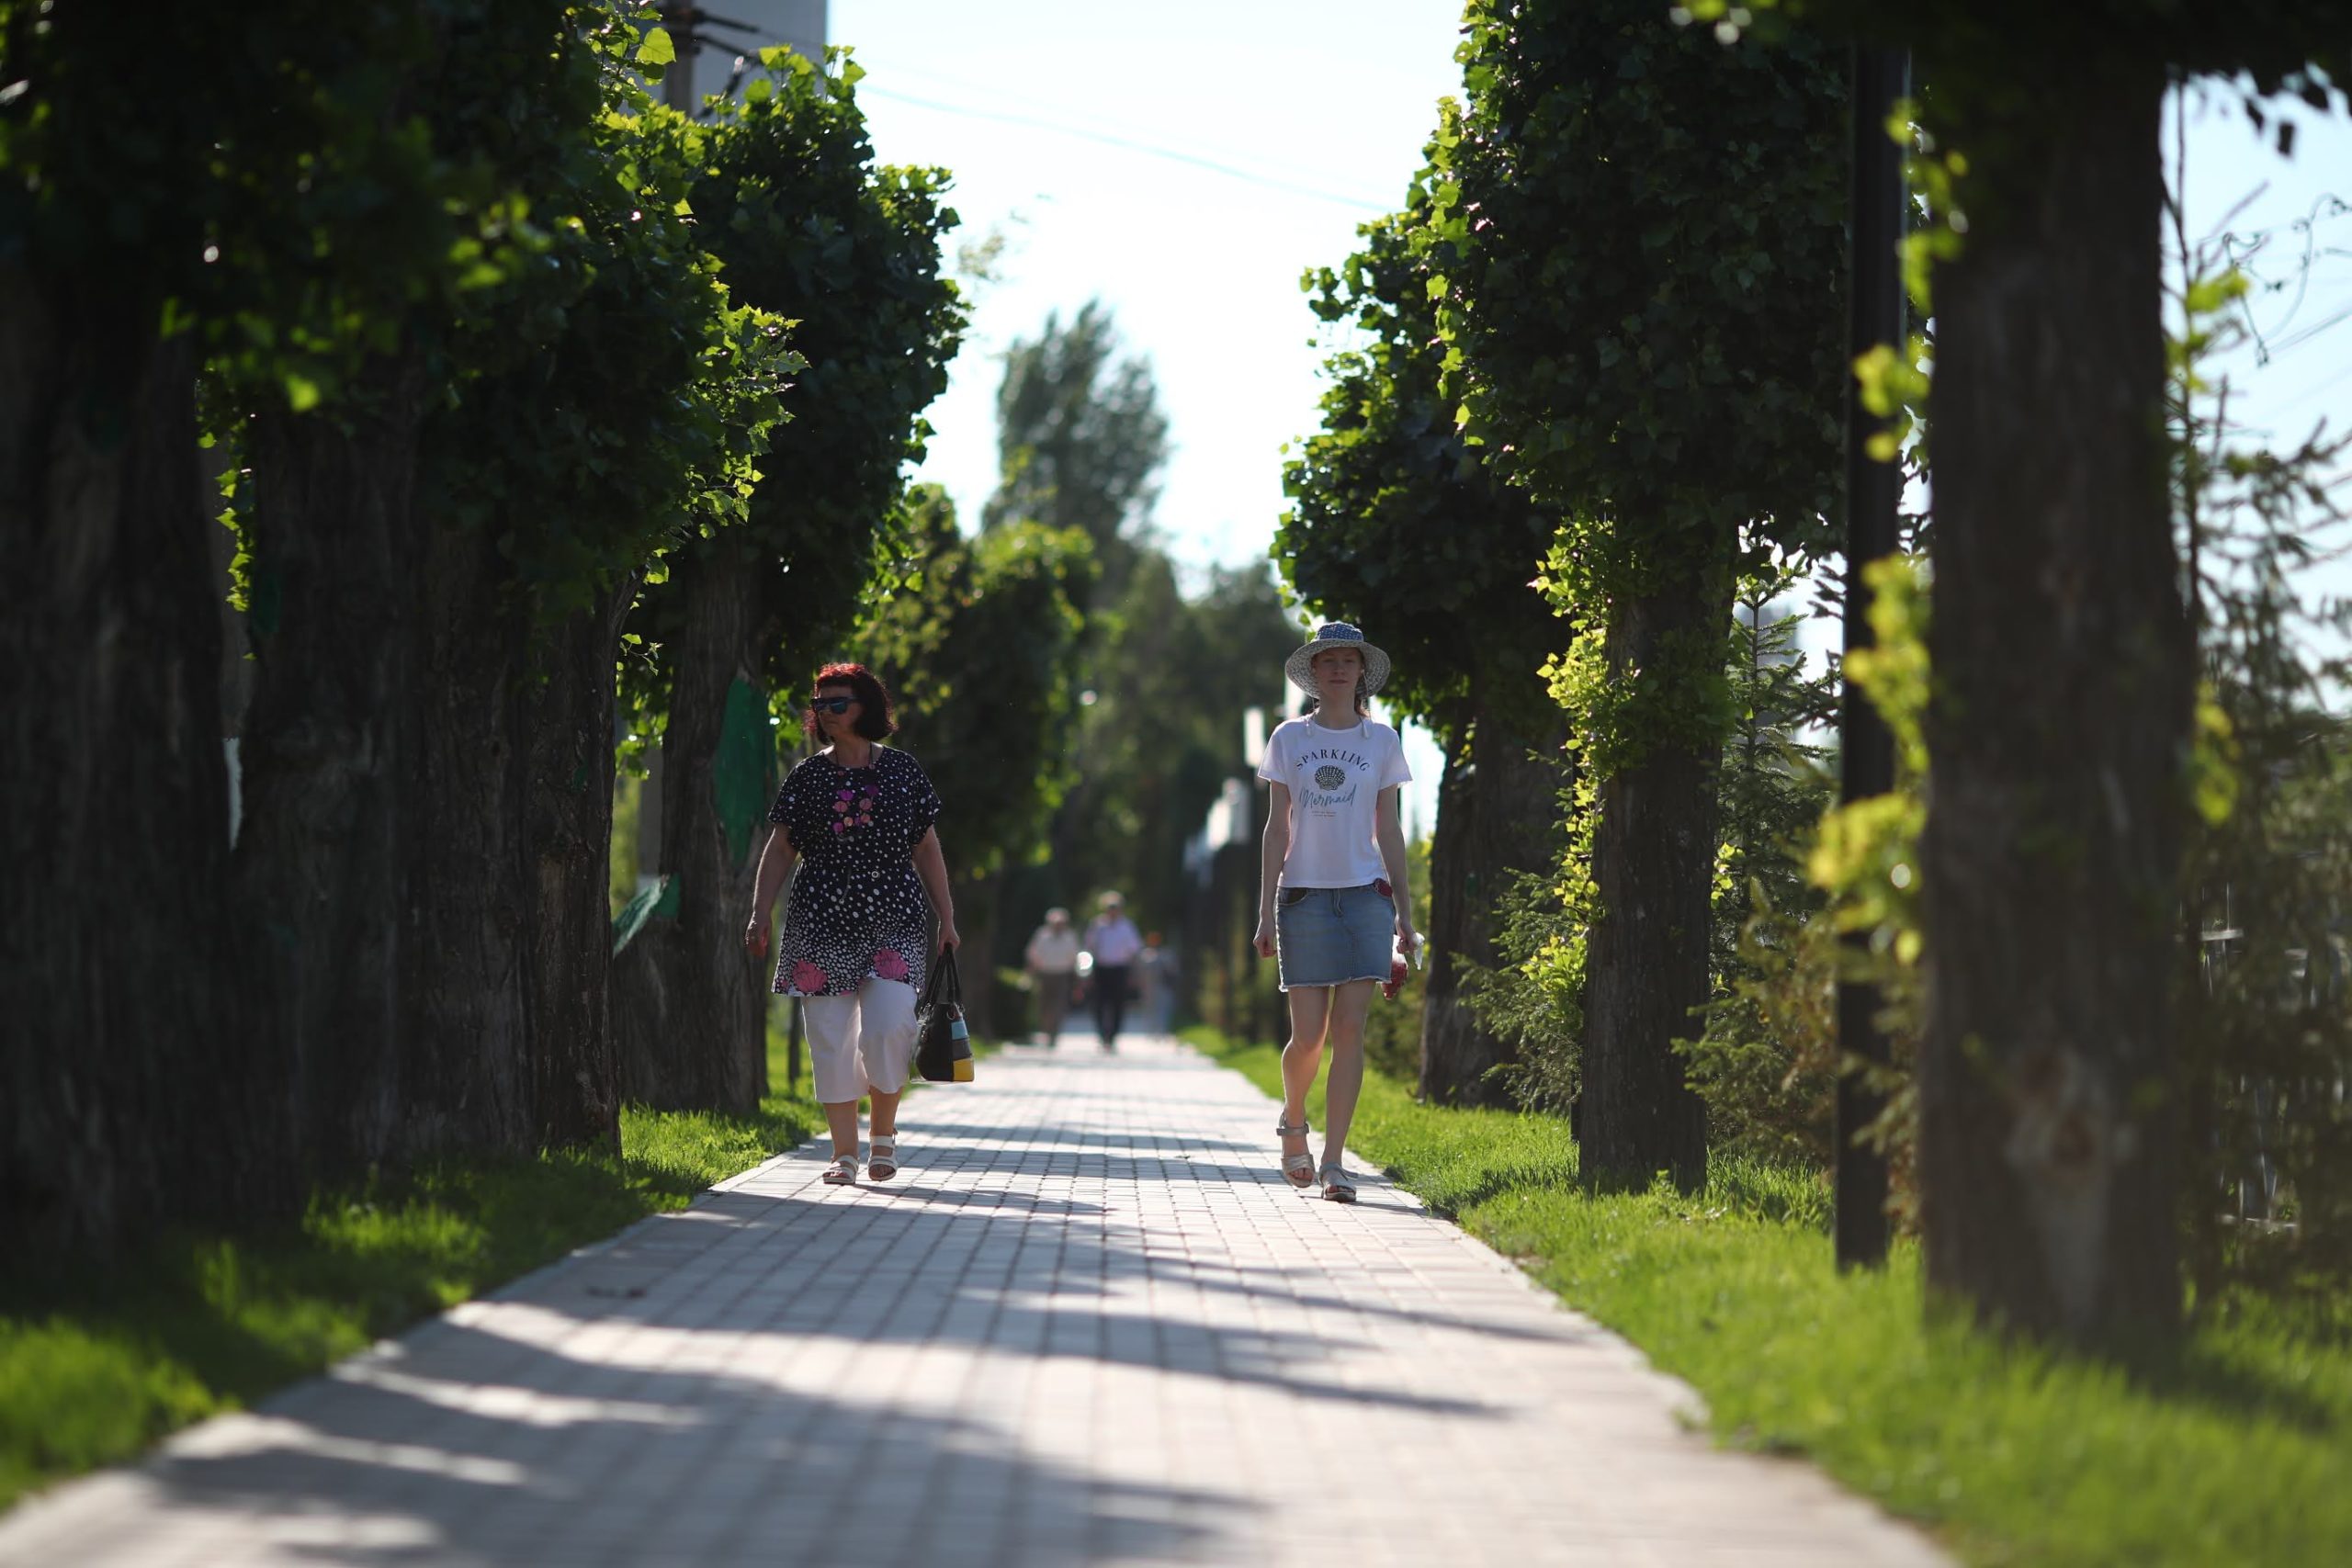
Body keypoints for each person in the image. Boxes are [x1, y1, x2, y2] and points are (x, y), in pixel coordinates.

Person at [744, 662, 958, 1187]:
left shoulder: (903, 771)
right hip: (820, 923)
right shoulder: (808, 775)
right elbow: (780, 848)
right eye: (820, 705)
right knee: (830, 1036)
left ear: (866, 707)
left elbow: (926, 847)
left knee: (890, 1027)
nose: (826, 713)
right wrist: (759, 910)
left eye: (837, 703)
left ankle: (882, 1140)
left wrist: (947, 918)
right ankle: (843, 1154)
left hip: (894, 919)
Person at [1253, 622, 1417, 1203]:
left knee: (1351, 1030)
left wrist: (1405, 911)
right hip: (1303, 897)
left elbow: (1389, 829)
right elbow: (1276, 827)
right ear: (1314, 675)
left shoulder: (1383, 742)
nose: (1339, 670)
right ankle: (1293, 1120)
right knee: (1309, 1037)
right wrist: (1264, 912)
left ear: (1360, 672)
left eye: (1348, 661)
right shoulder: (1288, 739)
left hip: (1366, 896)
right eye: (1328, 662)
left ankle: (1334, 1162)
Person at [1082, 891, 1143, 1050]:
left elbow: (1134, 951)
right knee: (1099, 1003)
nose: (1113, 910)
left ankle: (1113, 1036)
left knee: (1118, 1004)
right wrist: (1085, 972)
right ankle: (1102, 1034)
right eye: (1110, 907)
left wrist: (1134, 973)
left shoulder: (1127, 926)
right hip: (1101, 969)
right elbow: (1088, 949)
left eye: (1115, 907)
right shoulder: (1097, 925)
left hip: (1120, 969)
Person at [1023, 907, 1080, 1047]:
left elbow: (1074, 957)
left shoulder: (1070, 936)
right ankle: (1047, 1030)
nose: (1058, 926)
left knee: (1059, 1005)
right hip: (1044, 974)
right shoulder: (1042, 935)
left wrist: (1076, 977)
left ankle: (1054, 1033)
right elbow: (1032, 953)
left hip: (1062, 974)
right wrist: (1031, 971)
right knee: (1044, 1005)